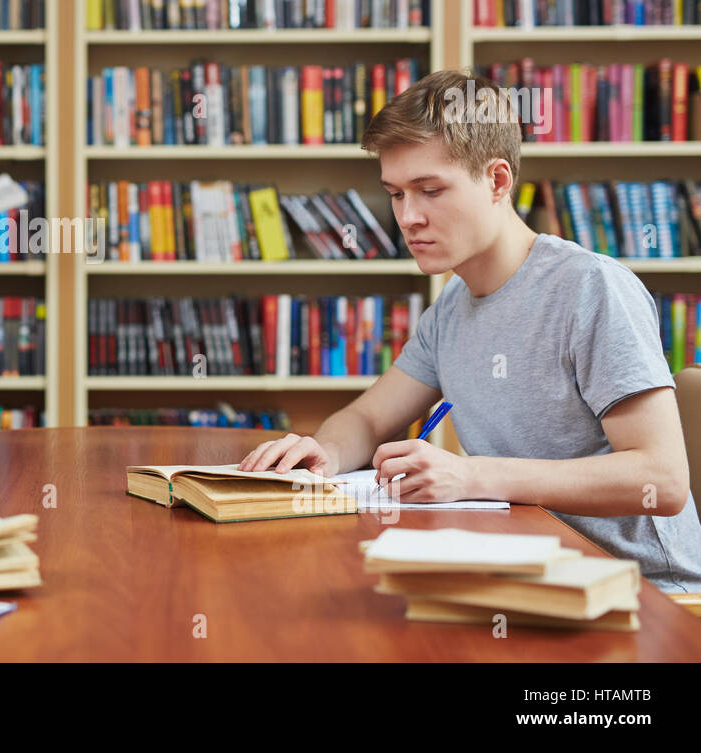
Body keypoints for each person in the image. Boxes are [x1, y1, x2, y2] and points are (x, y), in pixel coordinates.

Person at [238, 68, 701, 593]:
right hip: (526, 572)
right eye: (395, 194)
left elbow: (662, 481)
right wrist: (325, 453)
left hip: (645, 596)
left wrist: (472, 475)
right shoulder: (452, 307)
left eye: (430, 190)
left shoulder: (590, 289)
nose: (408, 217)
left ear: (498, 181)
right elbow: (369, 417)